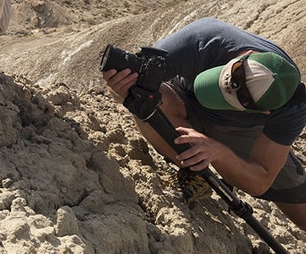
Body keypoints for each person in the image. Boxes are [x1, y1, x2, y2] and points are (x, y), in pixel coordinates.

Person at [102, 17, 306, 230]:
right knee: (142, 97)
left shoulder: (292, 107)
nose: (216, 93)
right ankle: (194, 171)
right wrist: (125, 88)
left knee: (299, 204)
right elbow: (126, 82)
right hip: (184, 101)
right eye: (220, 81)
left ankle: (211, 157)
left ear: (264, 111)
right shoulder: (202, 40)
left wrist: (219, 152)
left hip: (242, 131)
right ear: (244, 56)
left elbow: (260, 180)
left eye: (226, 97)